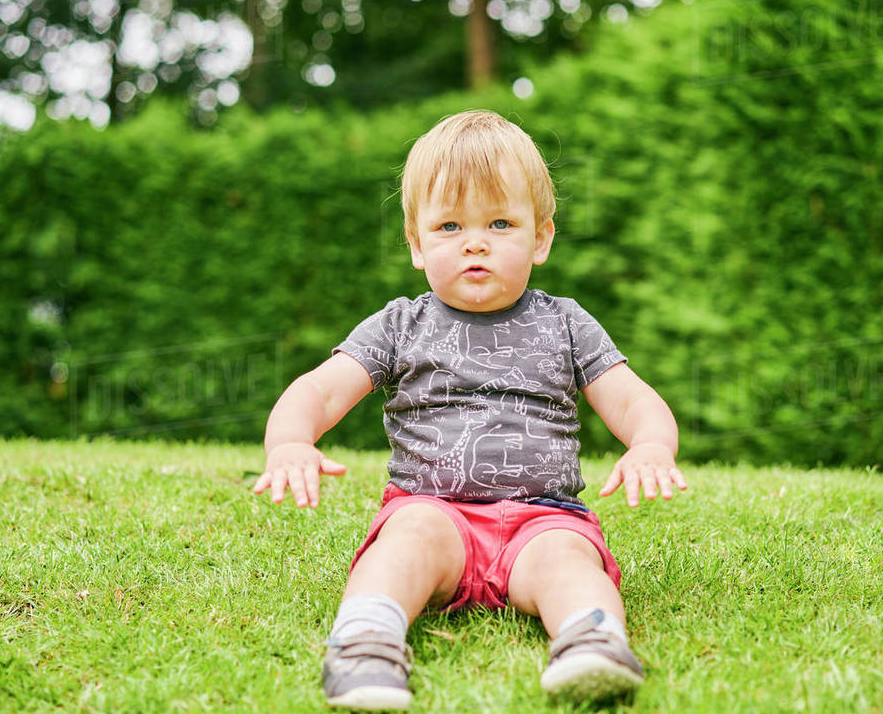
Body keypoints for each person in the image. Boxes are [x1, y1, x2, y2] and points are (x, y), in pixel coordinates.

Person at [252, 110, 687, 710]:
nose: (475, 242)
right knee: (404, 544)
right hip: (433, 512)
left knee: (567, 560)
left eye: (500, 223)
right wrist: (291, 443)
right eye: (449, 225)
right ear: (416, 243)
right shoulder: (400, 325)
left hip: (543, 518)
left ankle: (593, 641)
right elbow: (318, 391)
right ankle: (365, 644)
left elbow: (633, 398)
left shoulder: (565, 322)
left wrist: (651, 445)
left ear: (541, 238)